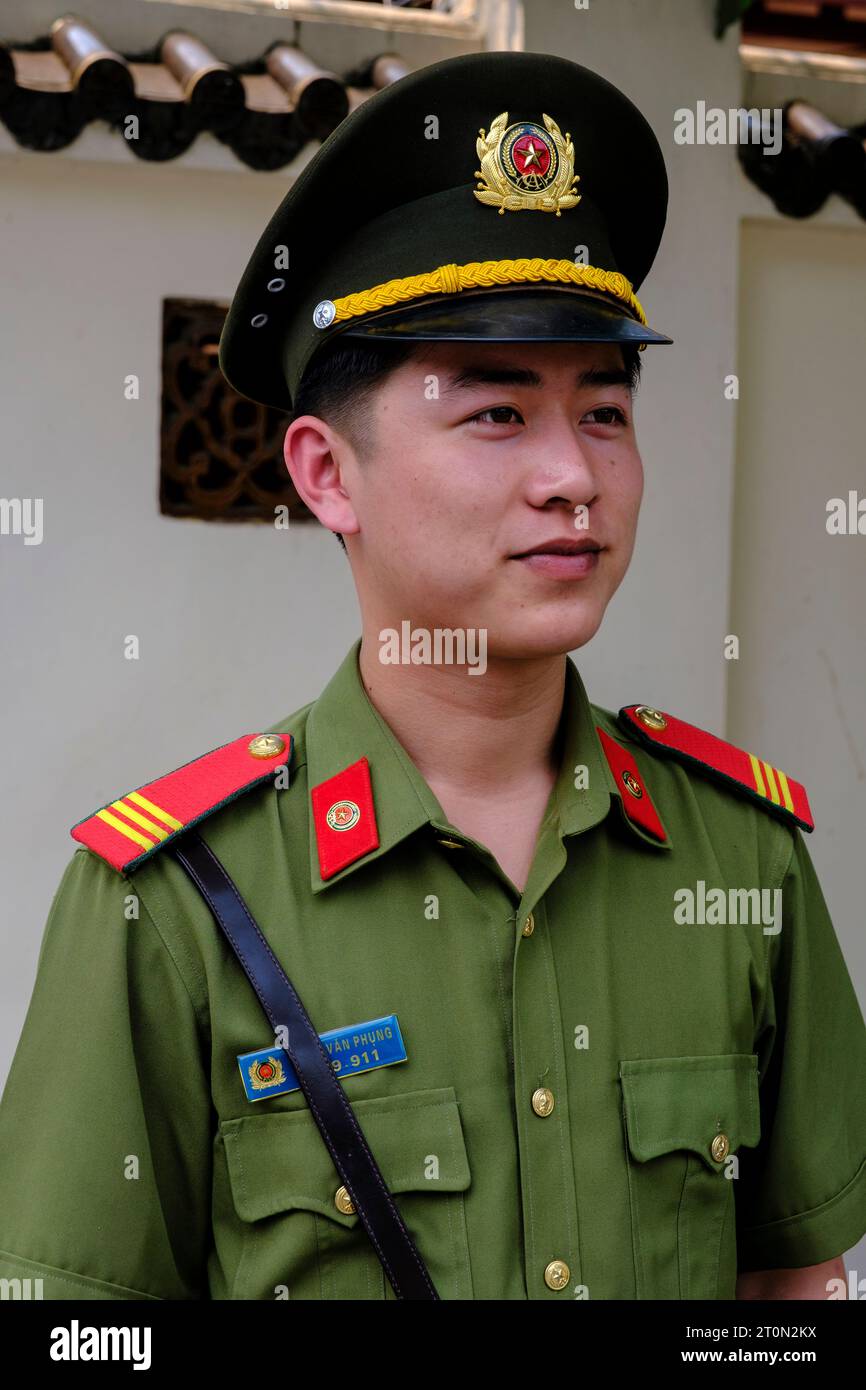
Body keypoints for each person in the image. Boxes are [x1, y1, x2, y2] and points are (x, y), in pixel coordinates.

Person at [0, 50, 863, 1302]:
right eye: (496, 414)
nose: (572, 474)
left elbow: (789, 1289)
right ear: (325, 472)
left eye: (605, 409)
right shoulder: (169, 902)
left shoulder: (738, 858)